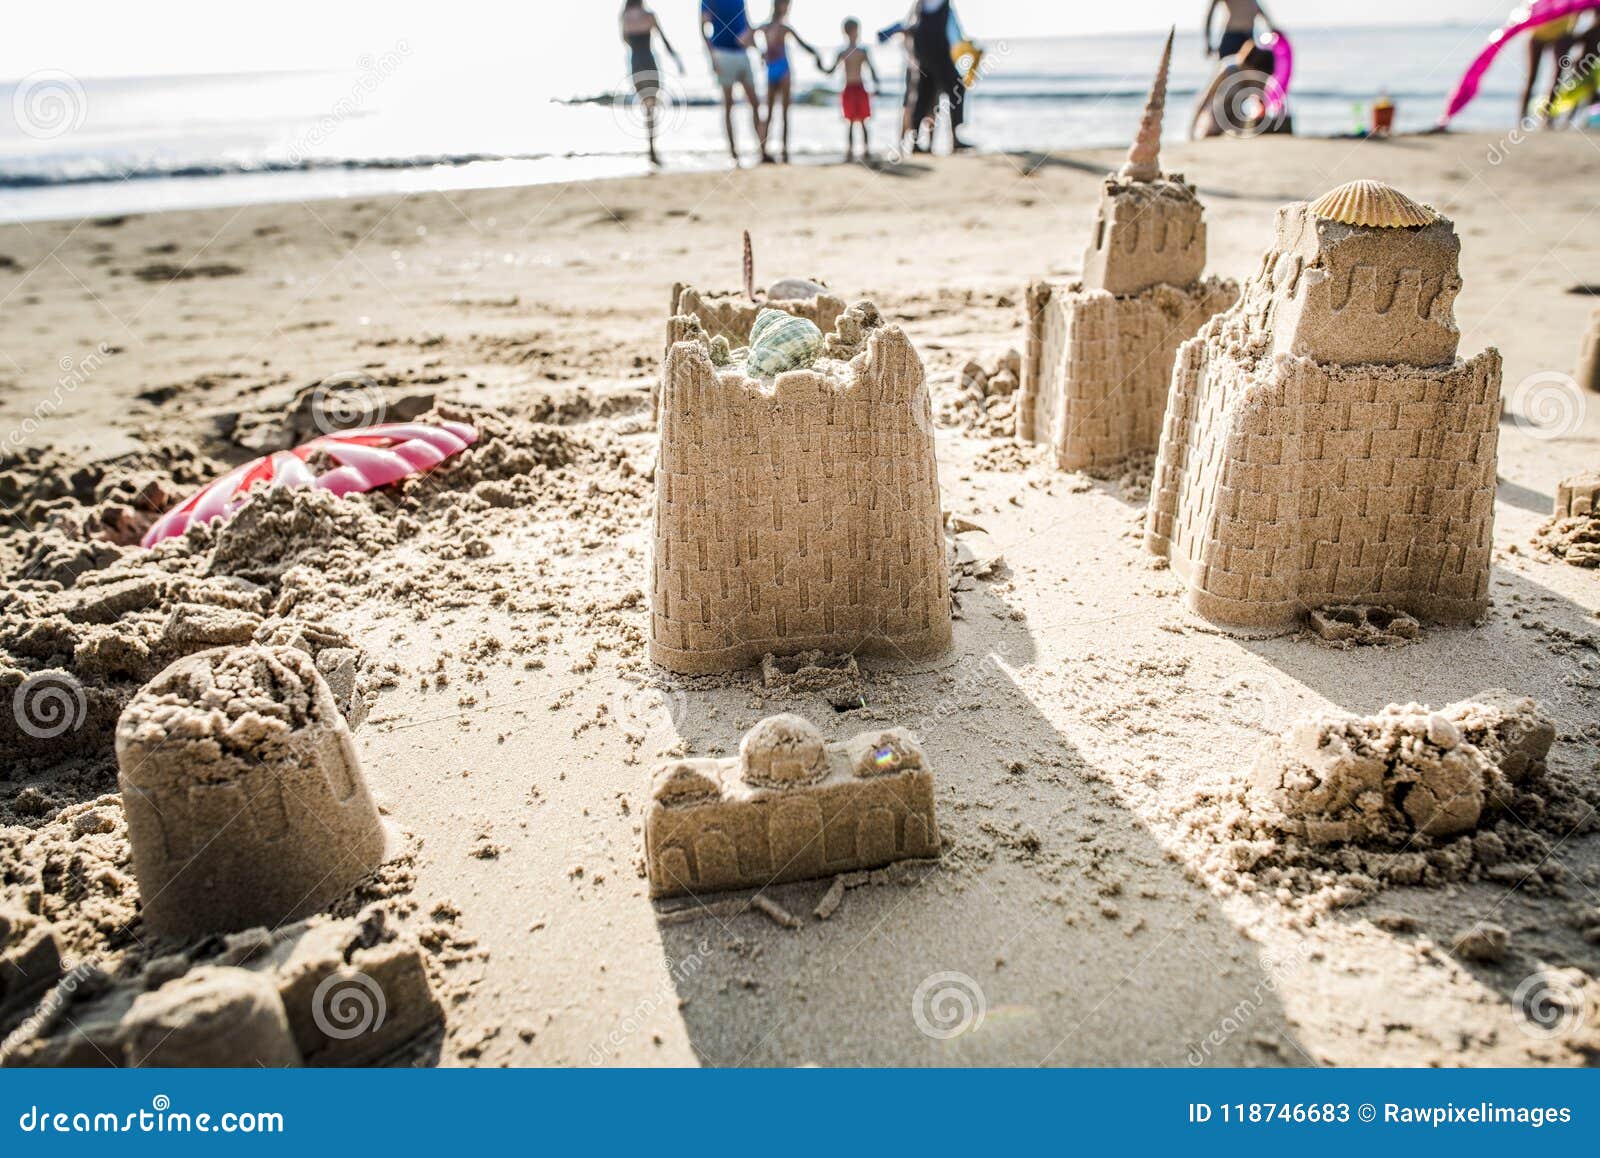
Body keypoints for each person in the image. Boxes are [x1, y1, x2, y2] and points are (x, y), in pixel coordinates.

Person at [702, 0, 771, 164]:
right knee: (728, 105)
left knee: (755, 103)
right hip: (722, 54)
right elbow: (703, 28)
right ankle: (733, 153)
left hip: (742, 53)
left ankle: (762, 150)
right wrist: (712, 57)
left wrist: (758, 48)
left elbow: (746, 24)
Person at [757, 1, 824, 163]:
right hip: (774, 70)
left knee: (784, 113)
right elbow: (749, 37)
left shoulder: (782, 28)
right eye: (785, 4)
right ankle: (764, 151)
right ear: (778, 5)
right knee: (770, 113)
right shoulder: (768, 27)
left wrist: (816, 54)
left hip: (783, 70)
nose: (787, 8)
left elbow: (803, 45)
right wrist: (761, 53)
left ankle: (784, 151)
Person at [621, 1, 683, 167]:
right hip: (649, 61)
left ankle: (651, 150)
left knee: (646, 106)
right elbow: (664, 40)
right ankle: (652, 149)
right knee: (651, 107)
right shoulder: (649, 15)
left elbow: (624, 40)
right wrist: (676, 59)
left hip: (636, 62)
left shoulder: (625, 16)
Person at [908, 0, 970, 153]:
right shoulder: (928, 5)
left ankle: (916, 143)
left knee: (924, 97)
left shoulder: (924, 5)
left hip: (925, 54)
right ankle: (954, 139)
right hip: (935, 54)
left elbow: (952, 25)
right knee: (956, 88)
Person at [824, 18, 882, 162]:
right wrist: (820, 65)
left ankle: (866, 150)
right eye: (852, 31)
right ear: (846, 32)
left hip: (860, 88)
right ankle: (849, 151)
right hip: (848, 89)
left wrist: (877, 84)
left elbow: (872, 69)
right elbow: (831, 70)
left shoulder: (863, 51)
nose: (854, 34)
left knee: (863, 121)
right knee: (850, 122)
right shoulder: (842, 52)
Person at [1523, 10, 1580, 124]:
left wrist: (1572, 28)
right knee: (1532, 77)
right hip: (1539, 32)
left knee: (1557, 76)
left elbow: (1577, 9)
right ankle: (1523, 116)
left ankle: (1548, 116)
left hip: (1561, 33)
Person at [1204, 0, 1274, 61]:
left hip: (1249, 40)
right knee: (1227, 72)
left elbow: (1261, 12)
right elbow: (1210, 15)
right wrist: (1208, 42)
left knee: (1250, 73)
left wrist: (1274, 33)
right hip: (1232, 37)